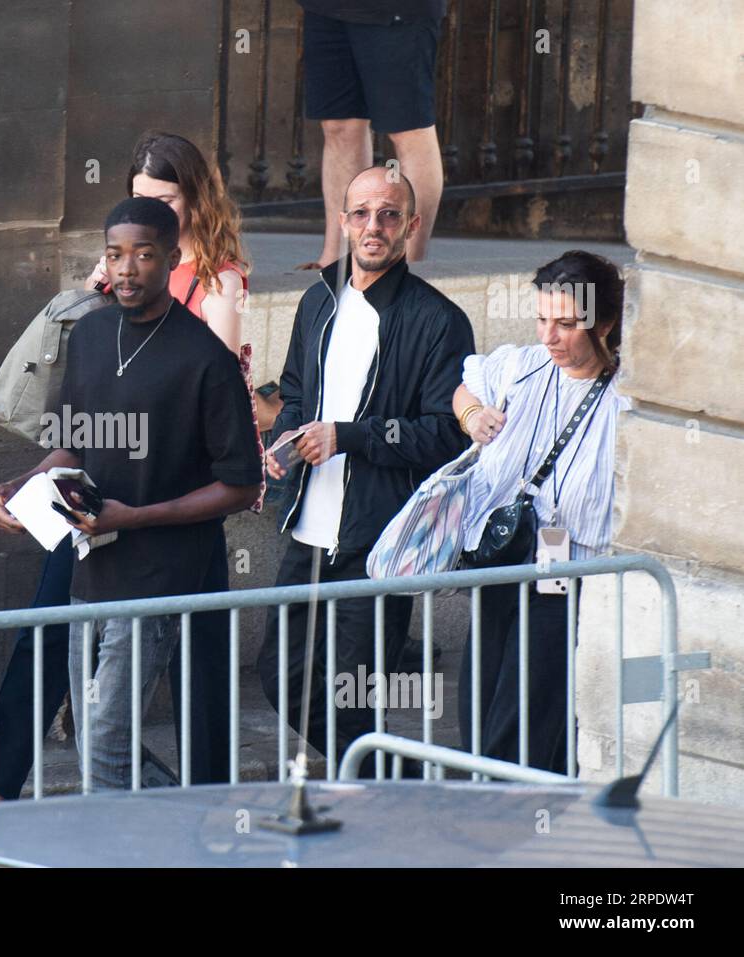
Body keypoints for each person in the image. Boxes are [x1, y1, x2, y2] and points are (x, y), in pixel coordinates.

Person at [0, 132, 261, 798]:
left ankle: (202, 809)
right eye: (116, 254)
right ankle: (4, 785)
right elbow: (76, 433)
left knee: (112, 736)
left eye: (144, 253)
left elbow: (235, 475)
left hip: (161, 553)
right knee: (97, 730)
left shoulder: (208, 324)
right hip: (92, 542)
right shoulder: (98, 328)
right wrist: (24, 486)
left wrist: (139, 514)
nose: (126, 269)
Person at [259, 165, 473, 771]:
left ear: (411, 225)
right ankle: (397, 782)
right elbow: (296, 393)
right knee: (282, 677)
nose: (372, 226)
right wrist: (282, 440)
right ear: (343, 221)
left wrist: (349, 437)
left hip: (378, 538)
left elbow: (444, 435)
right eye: (360, 213)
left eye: (387, 214)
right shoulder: (316, 300)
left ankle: (374, 806)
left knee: (352, 695)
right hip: (308, 530)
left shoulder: (439, 320)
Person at [454, 250, 628, 774]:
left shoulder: (630, 399)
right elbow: (465, 387)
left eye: (567, 324)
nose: (549, 336)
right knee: (477, 708)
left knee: (526, 721)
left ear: (604, 323)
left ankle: (515, 830)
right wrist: (471, 417)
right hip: (501, 561)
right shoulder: (521, 366)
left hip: (568, 579)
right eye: (542, 319)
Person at [295, 0, 447, 268]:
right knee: (339, 126)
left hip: (399, 11)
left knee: (409, 131)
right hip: (325, 7)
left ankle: (408, 264)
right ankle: (338, 260)